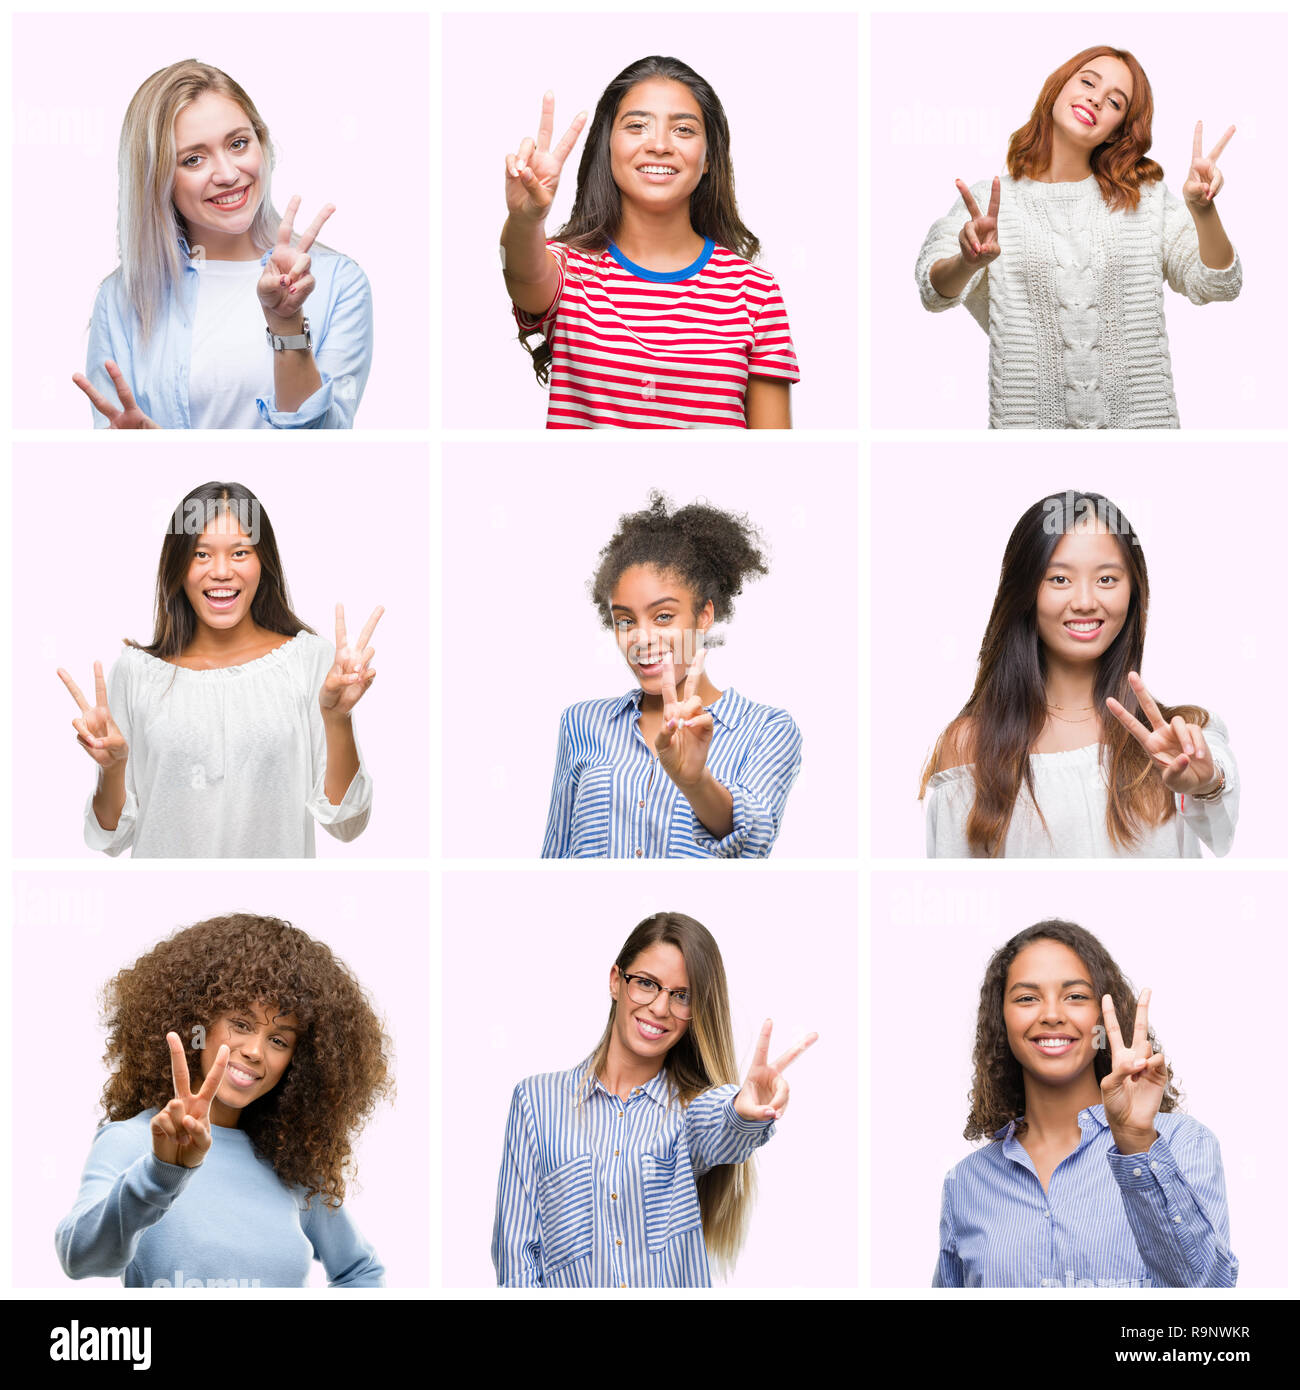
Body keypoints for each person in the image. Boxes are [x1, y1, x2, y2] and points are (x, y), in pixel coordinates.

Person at [56, 914, 392, 1287]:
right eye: (242, 1024)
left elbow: (361, 1272)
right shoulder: (134, 1141)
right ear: (196, 1024)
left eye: (278, 1041)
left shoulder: (291, 1169)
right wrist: (161, 1174)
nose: (254, 1051)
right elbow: (80, 1258)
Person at [915, 45, 1241, 428]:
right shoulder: (990, 201)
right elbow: (933, 291)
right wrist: (967, 261)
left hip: (1143, 436)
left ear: (1119, 129)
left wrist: (1203, 210)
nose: (1096, 98)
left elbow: (1220, 284)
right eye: (1088, 81)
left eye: (1115, 102)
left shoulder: (1145, 199)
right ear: (1058, 87)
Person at [57, 480, 382, 857]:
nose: (222, 571)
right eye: (201, 554)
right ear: (178, 566)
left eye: (240, 552)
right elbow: (111, 839)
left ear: (264, 562)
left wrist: (337, 717)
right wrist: (111, 771)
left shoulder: (310, 662)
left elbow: (346, 825)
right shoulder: (136, 674)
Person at [492, 911, 817, 1287]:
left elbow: (717, 1123)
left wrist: (743, 1112)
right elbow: (517, 1261)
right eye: (646, 983)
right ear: (616, 981)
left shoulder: (687, 1112)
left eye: (682, 996)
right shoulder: (536, 1102)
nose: (661, 1008)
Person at [921, 491, 1237, 857]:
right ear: (1025, 590)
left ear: (1134, 592)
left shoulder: (1178, 735)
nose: (1085, 601)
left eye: (1106, 579)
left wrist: (1207, 783)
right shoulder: (972, 745)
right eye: (1059, 579)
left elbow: (1220, 827)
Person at [934, 920, 1236, 1288]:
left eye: (1075, 996)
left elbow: (1209, 1292)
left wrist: (1136, 1142)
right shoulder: (966, 1184)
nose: (1051, 1014)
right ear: (1002, 1020)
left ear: (1102, 1019)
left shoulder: (1182, 1145)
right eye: (1027, 998)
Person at [73, 60, 372, 429]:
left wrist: (287, 324)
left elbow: (324, 443)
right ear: (157, 177)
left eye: (238, 143)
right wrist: (141, 454)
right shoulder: (121, 297)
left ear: (262, 143)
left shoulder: (338, 282)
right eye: (193, 159)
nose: (229, 174)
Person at [502, 57, 798, 428]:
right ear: (607, 146)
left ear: (708, 158)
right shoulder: (569, 270)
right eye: (637, 126)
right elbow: (522, 274)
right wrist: (525, 219)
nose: (659, 145)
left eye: (684, 130)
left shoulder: (756, 292)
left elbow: (773, 461)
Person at [542, 492, 802, 858]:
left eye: (663, 616)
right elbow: (555, 857)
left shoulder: (767, 729)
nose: (642, 638)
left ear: (704, 616)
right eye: (626, 620)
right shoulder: (581, 722)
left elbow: (754, 842)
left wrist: (694, 782)